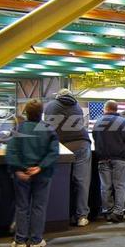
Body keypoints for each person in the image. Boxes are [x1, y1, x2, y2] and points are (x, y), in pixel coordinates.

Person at [6, 99, 59, 247]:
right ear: (41, 113)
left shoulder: (19, 128)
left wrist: (20, 169)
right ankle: (36, 240)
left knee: (22, 207)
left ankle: (20, 240)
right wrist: (40, 167)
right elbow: (53, 153)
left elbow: (11, 151)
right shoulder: (48, 129)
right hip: (42, 175)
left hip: (22, 175)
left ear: (26, 113)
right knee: (39, 207)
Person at [43, 88, 91, 227]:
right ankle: (82, 216)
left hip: (62, 146)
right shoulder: (77, 106)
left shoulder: (51, 106)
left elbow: (48, 128)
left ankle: (64, 215)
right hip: (82, 143)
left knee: (62, 182)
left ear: (58, 96)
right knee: (82, 182)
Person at [93, 100, 125, 223]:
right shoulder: (122, 122)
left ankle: (108, 211)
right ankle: (118, 212)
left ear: (105, 108)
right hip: (120, 158)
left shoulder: (98, 122)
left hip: (102, 158)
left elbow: (94, 138)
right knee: (120, 185)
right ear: (116, 109)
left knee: (105, 186)